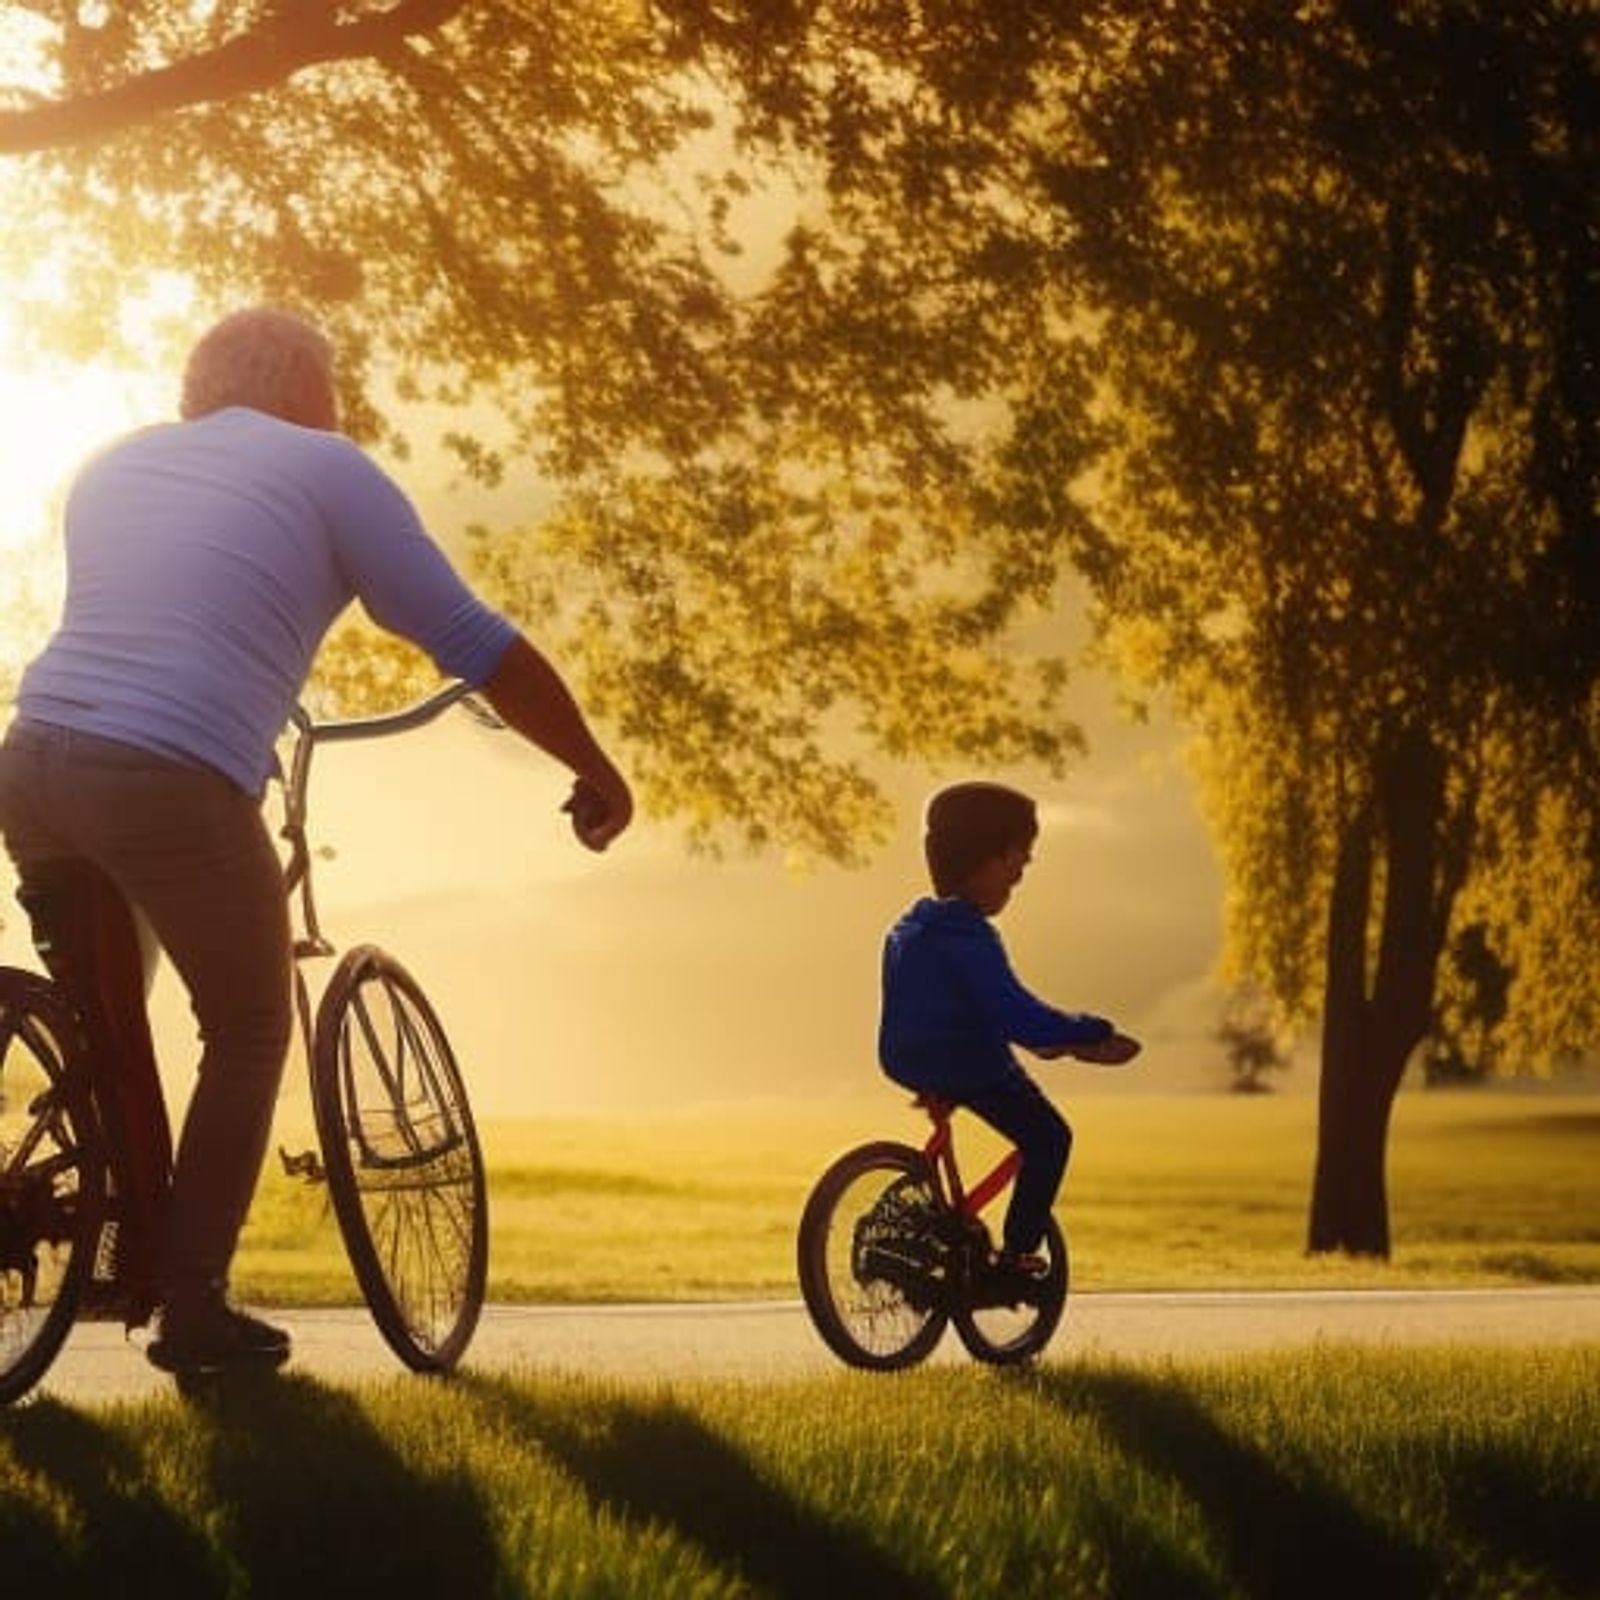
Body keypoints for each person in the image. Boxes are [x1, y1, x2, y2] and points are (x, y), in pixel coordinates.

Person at [0, 307, 633, 1376]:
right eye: (332, 390)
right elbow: (474, 639)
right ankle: (192, 1306)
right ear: (301, 387)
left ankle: (111, 1210)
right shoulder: (327, 467)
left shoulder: (112, 465)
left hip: (33, 758)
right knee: (248, 1027)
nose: (337, 411)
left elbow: (168, 613)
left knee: (106, 1025)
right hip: (173, 772)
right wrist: (592, 764)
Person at [877, 781, 1138, 1287]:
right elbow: (1018, 1015)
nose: (1020, 874)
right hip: (968, 1065)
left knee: (1005, 1090)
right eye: (1015, 864)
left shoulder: (907, 928)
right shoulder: (970, 937)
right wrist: (1090, 1031)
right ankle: (1016, 1257)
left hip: (906, 1057)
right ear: (984, 861)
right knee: (1049, 1138)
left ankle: (938, 1238)